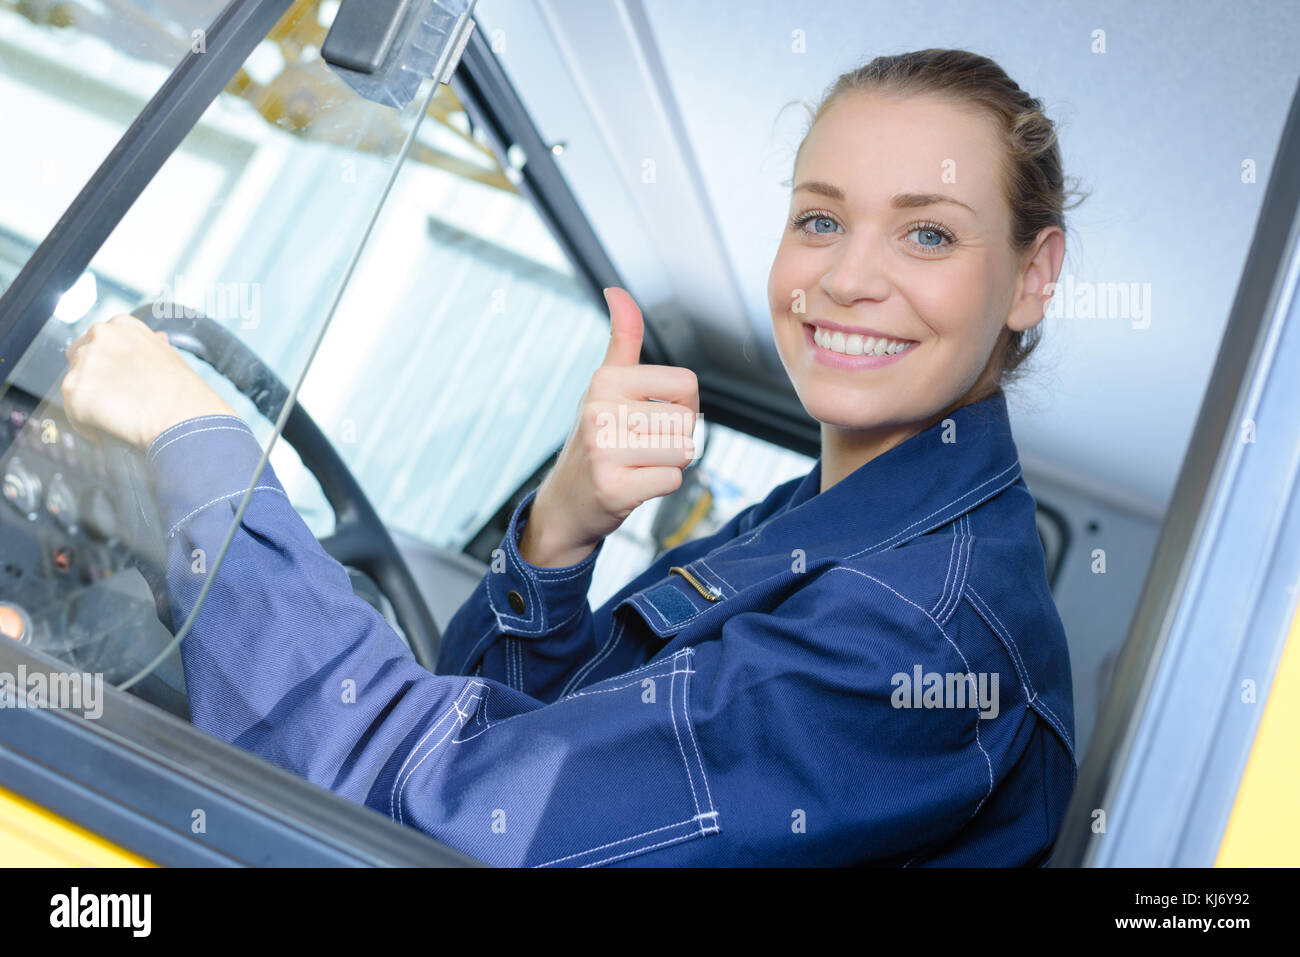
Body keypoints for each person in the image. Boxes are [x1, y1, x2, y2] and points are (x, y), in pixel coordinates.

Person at [61, 48, 1079, 866]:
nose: (849, 276)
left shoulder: (915, 638)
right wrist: (560, 527)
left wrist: (197, 444)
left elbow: (426, 822)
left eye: (929, 236)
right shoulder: (824, 519)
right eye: (820, 218)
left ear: (1032, 277)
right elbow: (514, 738)